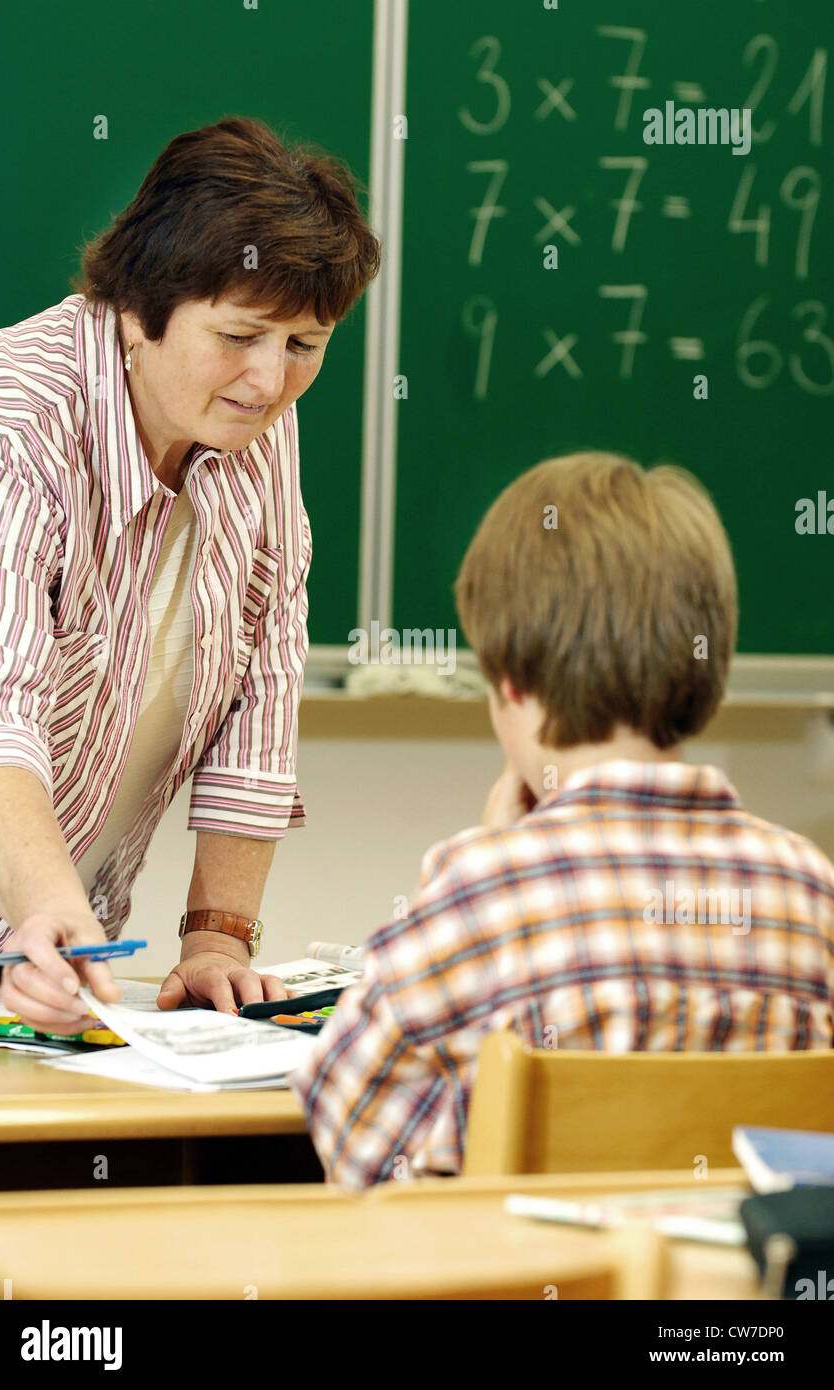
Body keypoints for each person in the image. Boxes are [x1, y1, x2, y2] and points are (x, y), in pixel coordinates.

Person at [290, 450, 834, 1188]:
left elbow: (349, 1132)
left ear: (510, 682)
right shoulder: (809, 891)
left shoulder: (484, 890)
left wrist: (489, 849)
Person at [0, 116, 380, 1033]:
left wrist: (217, 941)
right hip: (19, 934)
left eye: (304, 345)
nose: (270, 380)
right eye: (239, 336)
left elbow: (261, 690)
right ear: (139, 307)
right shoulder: (3, 432)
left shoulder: (250, 420)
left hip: (35, 967)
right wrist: (45, 915)